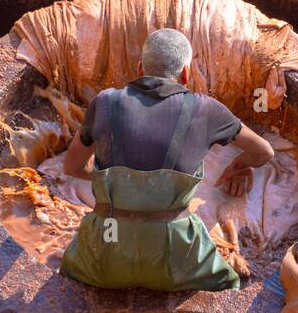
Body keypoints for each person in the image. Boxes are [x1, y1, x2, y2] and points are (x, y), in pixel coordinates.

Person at [58, 28, 274, 291]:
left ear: (140, 68)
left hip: (105, 256)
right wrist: (237, 166)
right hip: (178, 263)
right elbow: (264, 152)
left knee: (72, 271)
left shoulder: (104, 102)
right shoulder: (207, 110)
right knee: (233, 284)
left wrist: (117, 183)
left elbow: (72, 166)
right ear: (185, 73)